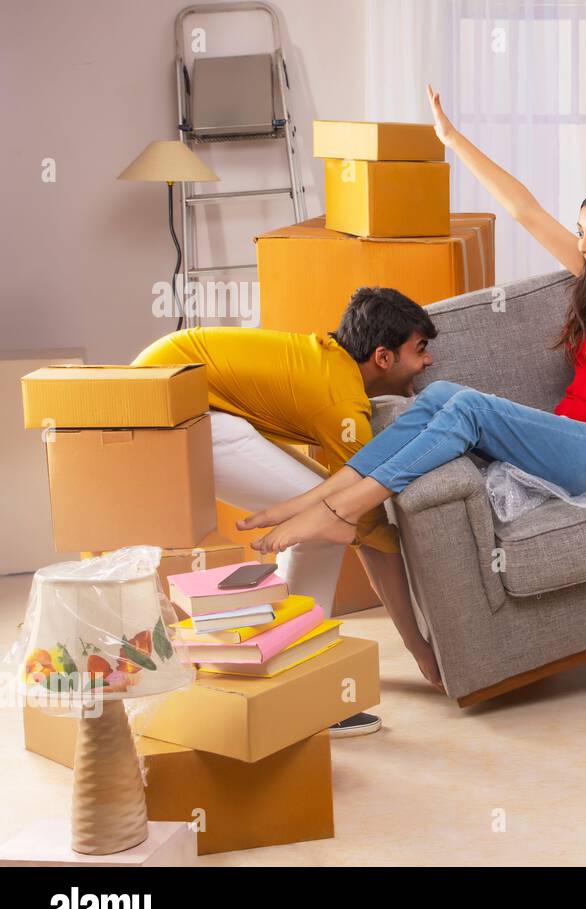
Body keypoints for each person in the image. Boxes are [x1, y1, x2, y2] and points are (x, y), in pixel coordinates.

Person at [237, 88, 586, 679]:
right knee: (437, 395)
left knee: (465, 411)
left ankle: (343, 508)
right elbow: (525, 211)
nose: (585, 246)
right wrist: (453, 140)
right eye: (582, 233)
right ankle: (322, 499)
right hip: (569, 439)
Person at [133, 287, 441, 735]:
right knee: (328, 522)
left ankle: (277, 662)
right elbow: (369, 533)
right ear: (383, 357)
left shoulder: (331, 367)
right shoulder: (341, 406)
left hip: (181, 403)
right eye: (420, 351)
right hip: (171, 413)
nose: (428, 362)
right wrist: (419, 648)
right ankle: (299, 690)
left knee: (324, 512)